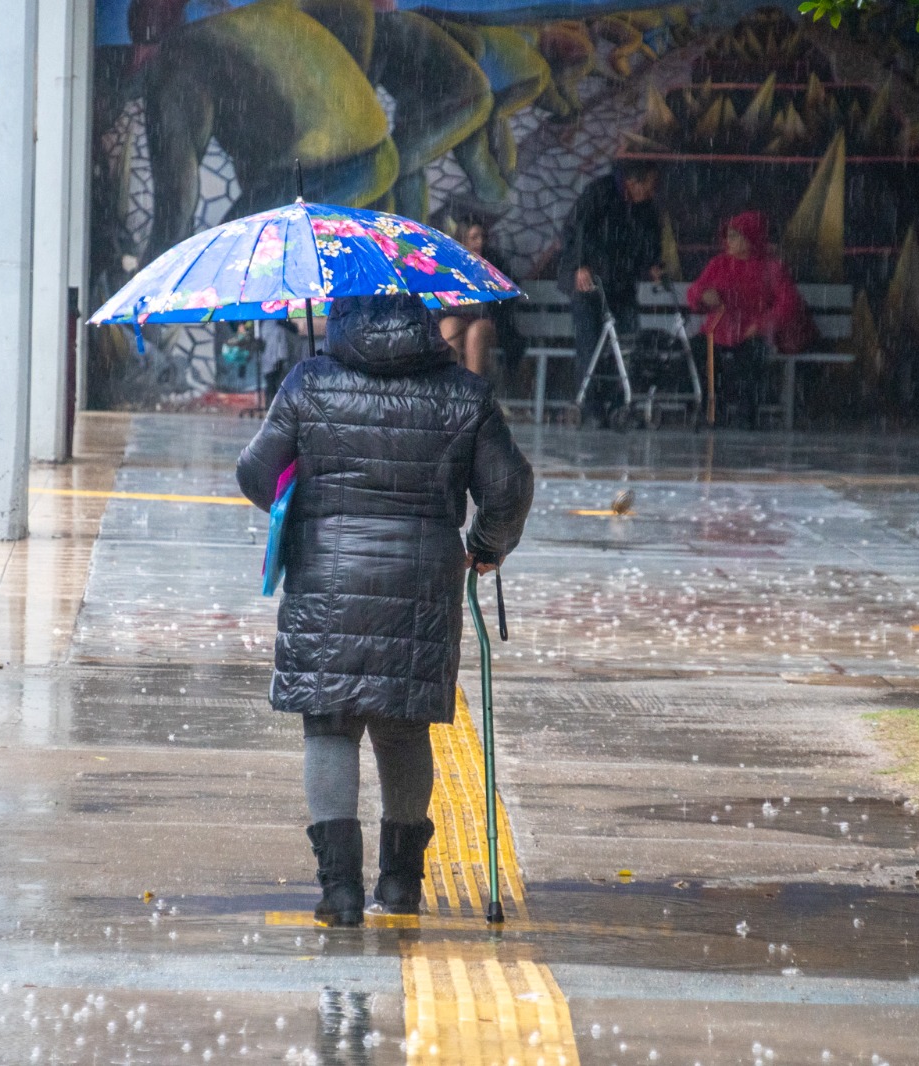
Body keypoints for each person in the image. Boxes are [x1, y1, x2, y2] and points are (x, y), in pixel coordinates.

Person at [236, 293, 534, 927]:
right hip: (424, 584)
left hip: (327, 578)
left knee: (330, 721)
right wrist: (484, 547)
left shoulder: (310, 380)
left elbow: (256, 473)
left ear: (343, 312)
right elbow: (508, 487)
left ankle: (339, 890)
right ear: (425, 318)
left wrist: (306, 503)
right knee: (402, 727)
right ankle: (399, 883)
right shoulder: (464, 392)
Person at [686, 211, 815, 429]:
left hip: (752, 332)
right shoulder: (719, 264)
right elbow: (695, 292)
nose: (730, 241)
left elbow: (789, 303)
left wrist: (762, 325)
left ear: (752, 238)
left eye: (737, 236)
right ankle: (710, 409)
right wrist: (702, 295)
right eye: (729, 236)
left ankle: (746, 414)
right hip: (718, 331)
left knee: (752, 357)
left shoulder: (771, 268)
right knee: (698, 352)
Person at [557, 161, 664, 419]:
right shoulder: (600, 192)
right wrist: (580, 264)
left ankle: (620, 401)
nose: (651, 192)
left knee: (627, 341)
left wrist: (652, 264)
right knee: (590, 342)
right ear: (632, 182)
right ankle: (592, 406)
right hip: (589, 280)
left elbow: (650, 239)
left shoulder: (644, 206)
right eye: (648, 185)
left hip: (620, 281)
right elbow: (577, 229)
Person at [439, 218, 521, 378]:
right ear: (463, 239)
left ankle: (471, 392)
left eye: (483, 237)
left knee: (476, 331)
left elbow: (506, 303)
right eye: (474, 237)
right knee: (449, 326)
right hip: (457, 317)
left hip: (489, 323)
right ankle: (449, 390)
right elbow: (441, 303)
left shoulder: (495, 263)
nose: (480, 242)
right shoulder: (449, 264)